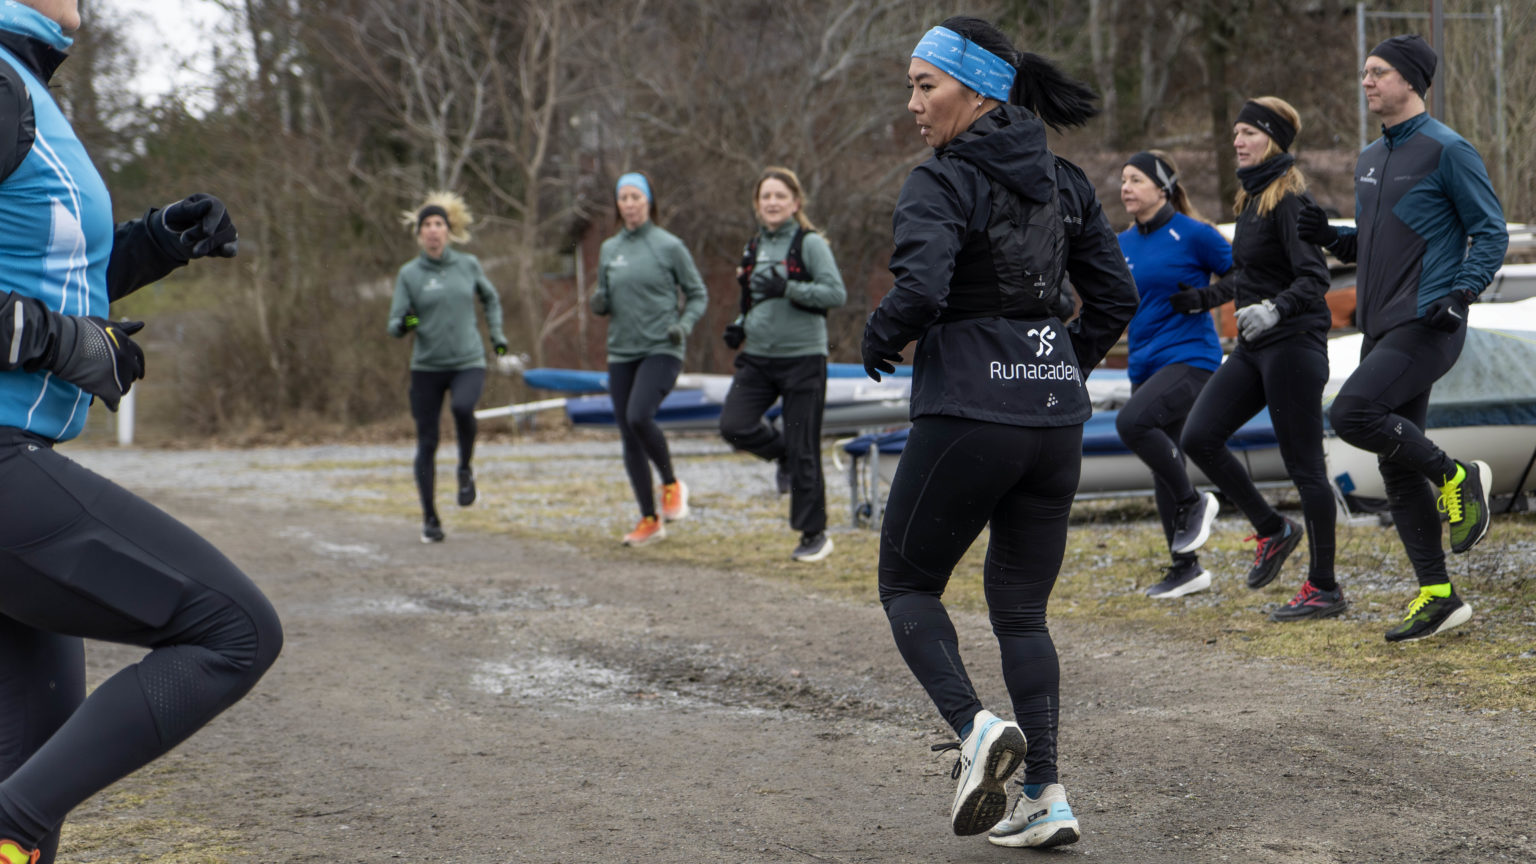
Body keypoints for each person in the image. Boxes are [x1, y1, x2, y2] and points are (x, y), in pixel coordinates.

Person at [0, 3, 283, 863]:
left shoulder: (26, 89)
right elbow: (47, 321)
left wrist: (154, 246)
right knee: (235, 631)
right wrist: (63, 343)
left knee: (37, 764)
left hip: (20, 459)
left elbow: (43, 269)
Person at [864, 16, 1137, 848]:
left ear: (977, 89)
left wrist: (880, 335)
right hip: (1056, 422)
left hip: (968, 415)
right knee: (1021, 615)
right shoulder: (1065, 179)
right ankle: (1048, 795)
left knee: (907, 587)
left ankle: (974, 729)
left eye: (925, 84)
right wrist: (1057, 367)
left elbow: (922, 287)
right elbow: (1115, 300)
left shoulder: (940, 179)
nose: (912, 103)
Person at [1298, 35, 1507, 642]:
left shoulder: (1448, 150)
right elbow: (1377, 242)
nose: (1367, 81)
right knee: (1393, 462)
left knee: (1355, 413)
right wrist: (1330, 235)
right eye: (1364, 71)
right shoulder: (1370, 156)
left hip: (1430, 319)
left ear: (1411, 81)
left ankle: (1456, 476)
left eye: (1378, 72)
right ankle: (1440, 596)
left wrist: (1460, 293)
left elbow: (1489, 232)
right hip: (1381, 323)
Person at [1177, 97, 1340, 620]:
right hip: (1255, 348)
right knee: (1198, 435)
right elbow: (1248, 275)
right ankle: (1273, 528)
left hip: (1293, 345)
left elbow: (1315, 278)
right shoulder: (1250, 201)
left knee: (1305, 468)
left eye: (1247, 132)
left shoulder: (1290, 199)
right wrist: (1203, 300)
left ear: (1271, 138)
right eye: (1235, 134)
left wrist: (1274, 309)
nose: (1238, 142)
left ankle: (1324, 587)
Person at [1114, 150, 1232, 598]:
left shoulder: (1194, 233)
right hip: (1143, 363)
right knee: (1165, 465)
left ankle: (1193, 502)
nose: (1126, 187)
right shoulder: (1123, 244)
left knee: (1131, 423)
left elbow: (1242, 274)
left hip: (1191, 359)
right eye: (1123, 180)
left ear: (1162, 188)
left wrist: (1206, 298)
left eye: (1136, 180)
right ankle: (1186, 568)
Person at [718, 166, 847, 562]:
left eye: (779, 196)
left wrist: (789, 288)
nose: (772, 202)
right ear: (757, 205)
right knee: (734, 426)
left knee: (804, 445)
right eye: (765, 197)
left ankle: (814, 534)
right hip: (758, 356)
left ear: (795, 202)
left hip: (802, 358)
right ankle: (784, 455)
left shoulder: (809, 244)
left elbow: (835, 292)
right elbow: (755, 300)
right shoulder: (754, 246)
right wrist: (739, 326)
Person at [590, 172, 708, 547]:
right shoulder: (610, 249)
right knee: (628, 434)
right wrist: (598, 300)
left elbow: (697, 294)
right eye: (623, 198)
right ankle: (648, 518)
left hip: (662, 347)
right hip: (621, 351)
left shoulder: (668, 245)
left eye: (635, 197)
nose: (629, 204)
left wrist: (684, 324)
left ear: (648, 202)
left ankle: (672, 485)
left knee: (639, 415)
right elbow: (603, 296)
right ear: (617, 205)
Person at [387, 191, 508, 544]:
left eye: (438, 223)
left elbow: (490, 298)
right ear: (420, 234)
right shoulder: (409, 274)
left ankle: (465, 469)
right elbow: (395, 323)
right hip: (427, 366)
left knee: (462, 407)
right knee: (427, 442)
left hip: (468, 360)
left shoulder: (467, 265)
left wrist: (497, 336)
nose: (433, 230)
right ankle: (430, 519)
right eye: (426, 225)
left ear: (448, 229)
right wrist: (406, 323)